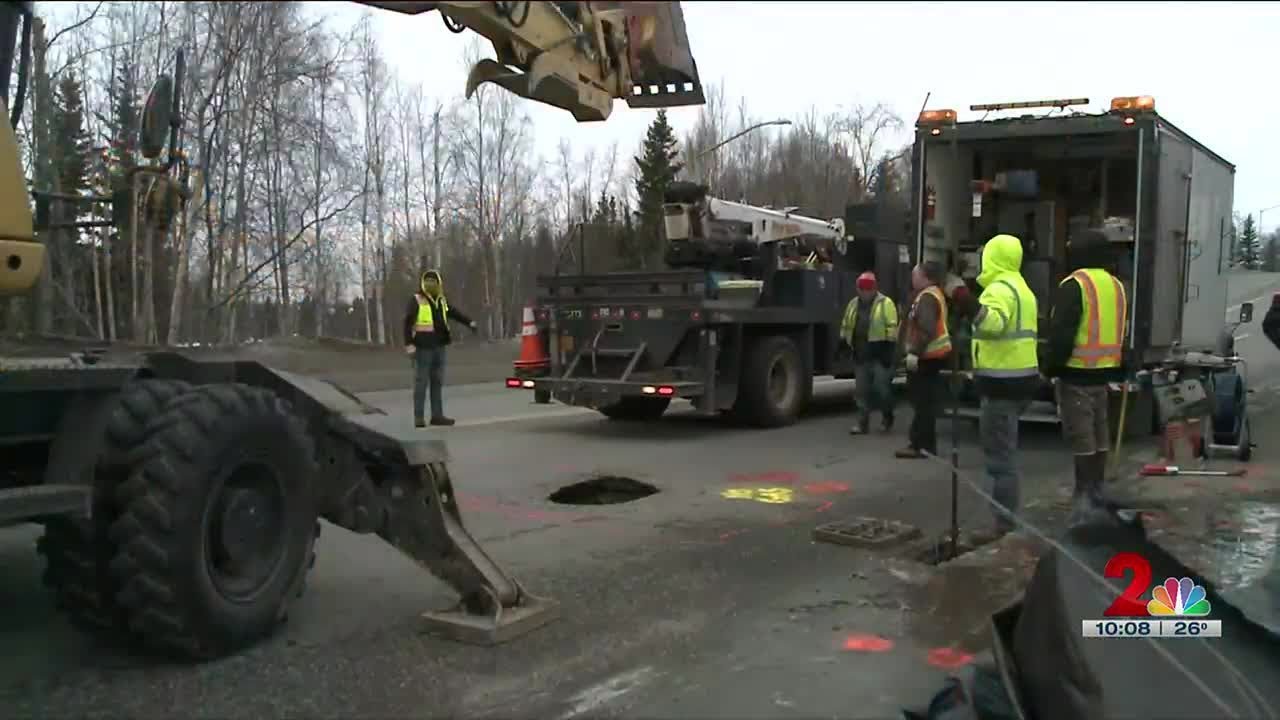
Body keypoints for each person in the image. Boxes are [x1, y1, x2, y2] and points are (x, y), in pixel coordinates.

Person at [1045, 229, 1127, 528]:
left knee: (1082, 436)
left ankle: (1083, 500)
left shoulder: (1075, 285)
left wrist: (1050, 368)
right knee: (1099, 432)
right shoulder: (1115, 285)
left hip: (1076, 372)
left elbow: (1062, 334)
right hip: (1104, 372)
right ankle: (1096, 492)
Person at [970, 234, 1040, 536]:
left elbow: (992, 324)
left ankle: (1003, 525)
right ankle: (1005, 520)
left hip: (1001, 382)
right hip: (1022, 379)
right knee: (1005, 452)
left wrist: (968, 305)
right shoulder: (1023, 289)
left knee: (1000, 459)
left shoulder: (998, 289)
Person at [402, 269, 478, 428]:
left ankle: (437, 416)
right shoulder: (416, 300)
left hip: (439, 346)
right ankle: (419, 417)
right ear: (423, 283)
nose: (430, 283)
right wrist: (409, 343)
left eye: (433, 280)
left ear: (438, 283)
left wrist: (469, 322)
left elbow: (454, 313)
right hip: (422, 347)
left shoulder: (441, 301)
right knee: (421, 382)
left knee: (437, 382)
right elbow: (407, 322)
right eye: (427, 280)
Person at [896, 262, 951, 458]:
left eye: (915, 275)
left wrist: (914, 353)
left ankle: (920, 445)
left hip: (927, 359)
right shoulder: (932, 294)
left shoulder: (927, 298)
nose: (912, 279)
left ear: (925, 277)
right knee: (924, 403)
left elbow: (926, 329)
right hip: (931, 358)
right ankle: (924, 445)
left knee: (922, 404)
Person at [841, 271, 899, 435]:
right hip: (861, 353)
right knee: (861, 391)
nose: (864, 292)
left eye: (867, 289)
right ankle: (862, 423)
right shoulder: (853, 304)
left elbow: (892, 328)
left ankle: (887, 416)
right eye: (861, 289)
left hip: (880, 354)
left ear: (874, 289)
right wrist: (843, 342)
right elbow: (847, 324)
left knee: (881, 388)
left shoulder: (885, 303)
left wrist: (889, 350)